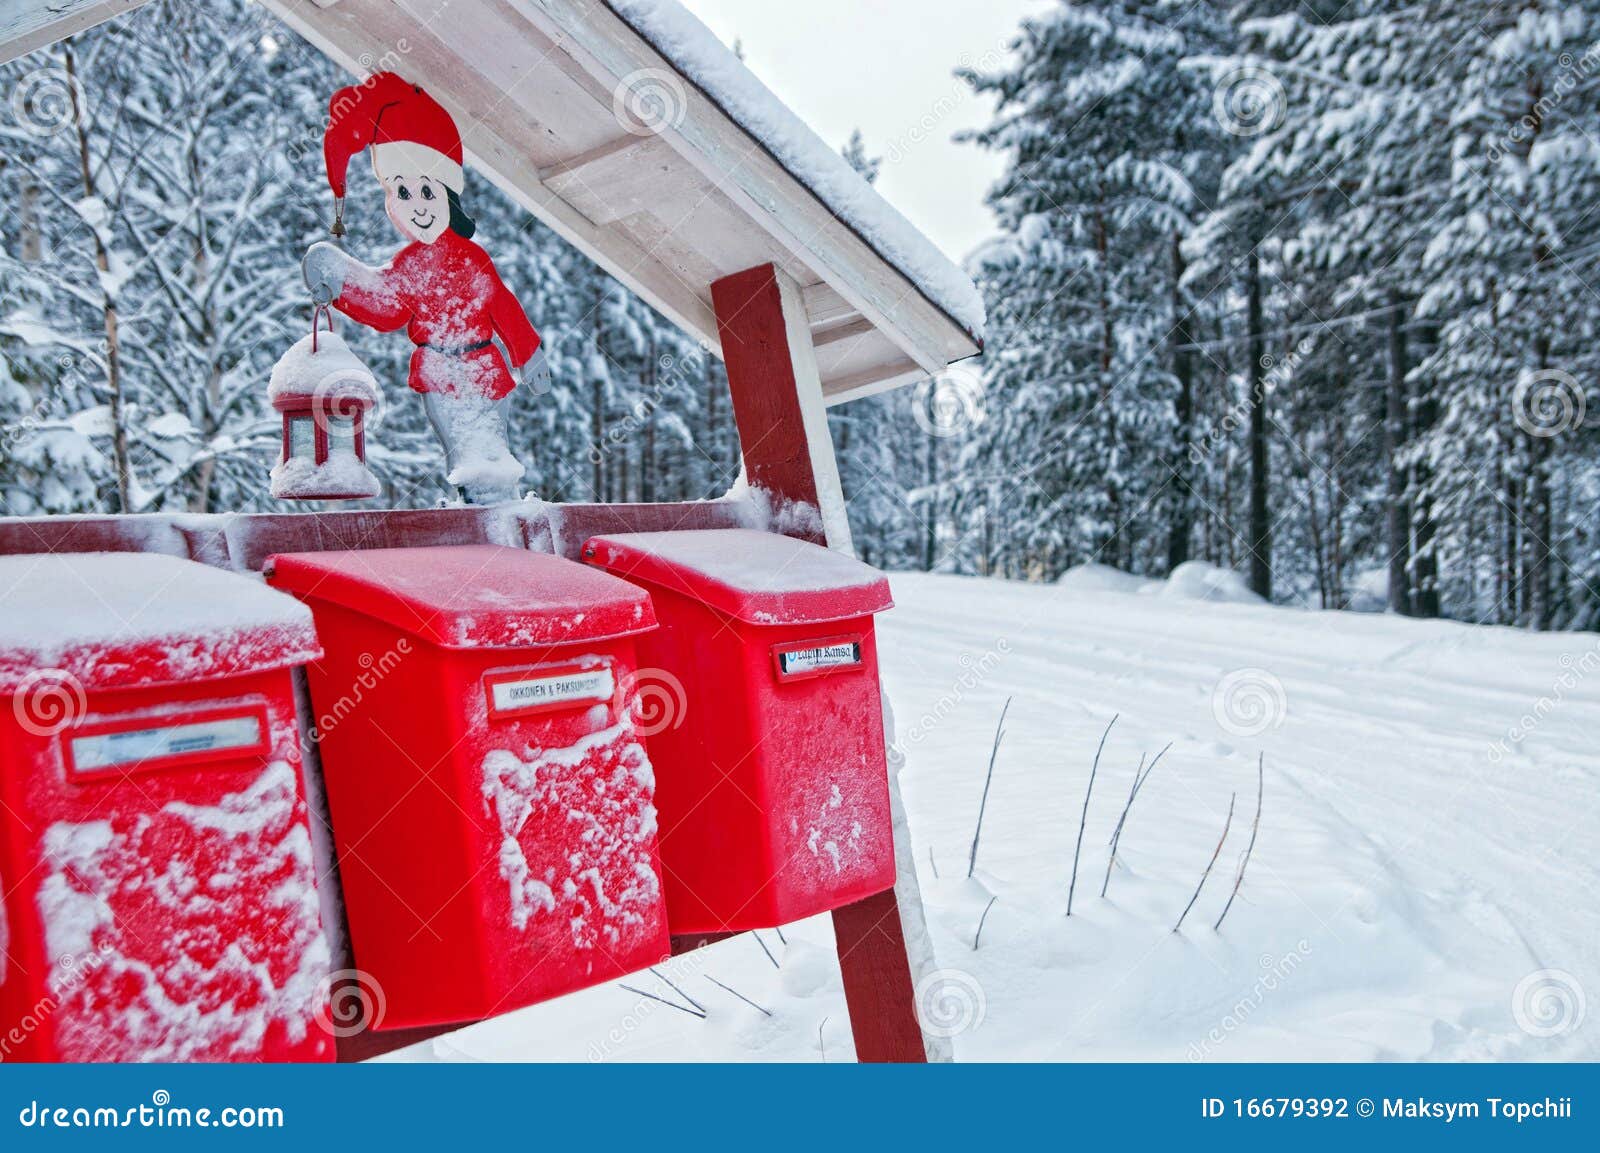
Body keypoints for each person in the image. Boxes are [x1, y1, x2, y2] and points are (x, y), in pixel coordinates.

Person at [302, 72, 549, 504]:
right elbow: (387, 307)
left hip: (484, 367)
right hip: (438, 370)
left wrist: (529, 355)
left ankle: (498, 502)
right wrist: (339, 281)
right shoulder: (410, 265)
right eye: (402, 192)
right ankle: (476, 503)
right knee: (461, 449)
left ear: (447, 194)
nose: (416, 206)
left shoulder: (474, 260)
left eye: (425, 192)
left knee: (492, 447)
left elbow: (504, 308)